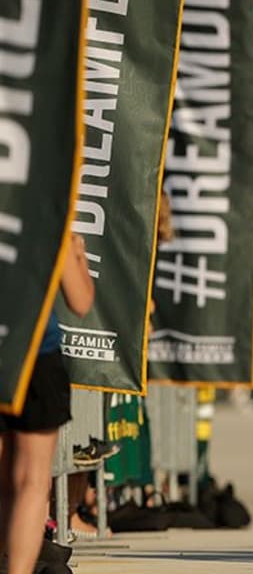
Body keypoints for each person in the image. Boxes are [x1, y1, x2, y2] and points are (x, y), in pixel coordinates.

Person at [1, 232, 93, 574]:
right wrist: (78, 255)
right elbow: (80, 301)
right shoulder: (47, 210)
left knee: (6, 479)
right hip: (34, 353)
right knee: (31, 481)